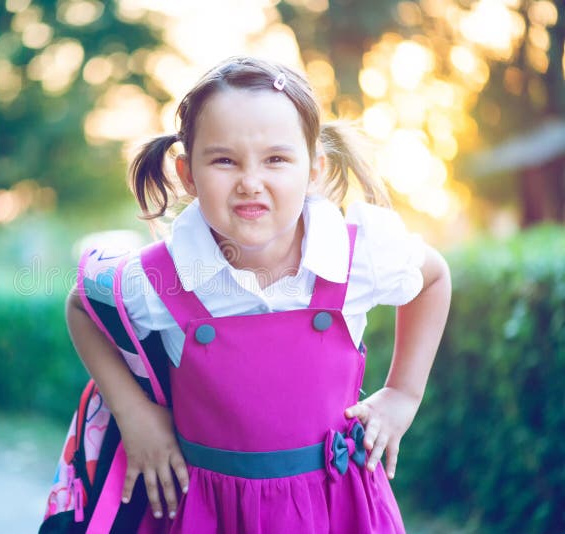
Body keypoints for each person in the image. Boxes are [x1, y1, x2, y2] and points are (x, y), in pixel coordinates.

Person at [65, 56, 451, 532]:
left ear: (314, 169)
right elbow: (82, 304)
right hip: (212, 515)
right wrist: (135, 414)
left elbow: (433, 278)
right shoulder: (164, 276)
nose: (250, 182)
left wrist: (403, 394)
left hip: (339, 510)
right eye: (224, 160)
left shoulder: (355, 257)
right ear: (188, 174)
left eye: (276, 159)